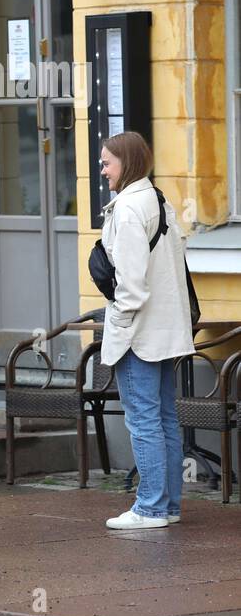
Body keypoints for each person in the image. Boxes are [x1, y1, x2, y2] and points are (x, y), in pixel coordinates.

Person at [98, 132, 194, 530]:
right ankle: (167, 505)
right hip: (166, 329)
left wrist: (118, 324)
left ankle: (151, 507)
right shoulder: (159, 200)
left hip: (139, 332)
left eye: (107, 163)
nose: (102, 170)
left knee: (143, 421)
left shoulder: (129, 208)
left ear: (127, 162)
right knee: (164, 419)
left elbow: (132, 283)